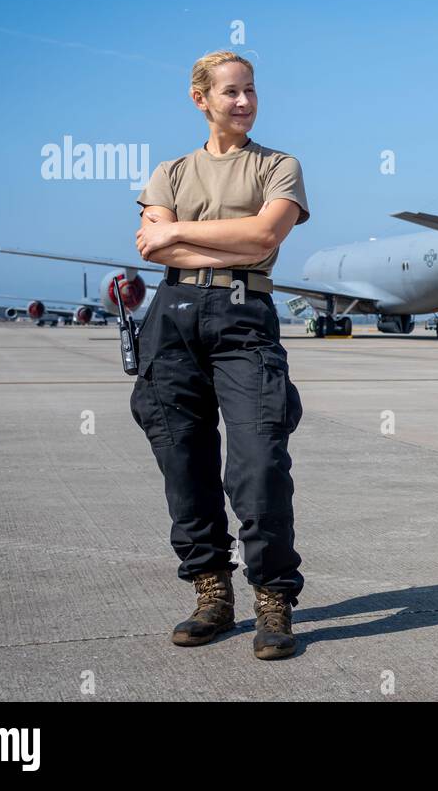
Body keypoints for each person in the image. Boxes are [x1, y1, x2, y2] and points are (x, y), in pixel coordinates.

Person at [130, 50, 309, 660]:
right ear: (201, 99)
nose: (245, 102)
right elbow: (154, 252)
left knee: (258, 464)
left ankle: (273, 597)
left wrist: (179, 231)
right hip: (173, 320)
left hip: (245, 321)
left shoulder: (278, 166)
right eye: (231, 92)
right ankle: (212, 592)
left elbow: (263, 237)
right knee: (184, 462)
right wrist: (216, 244)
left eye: (251, 91)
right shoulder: (170, 172)